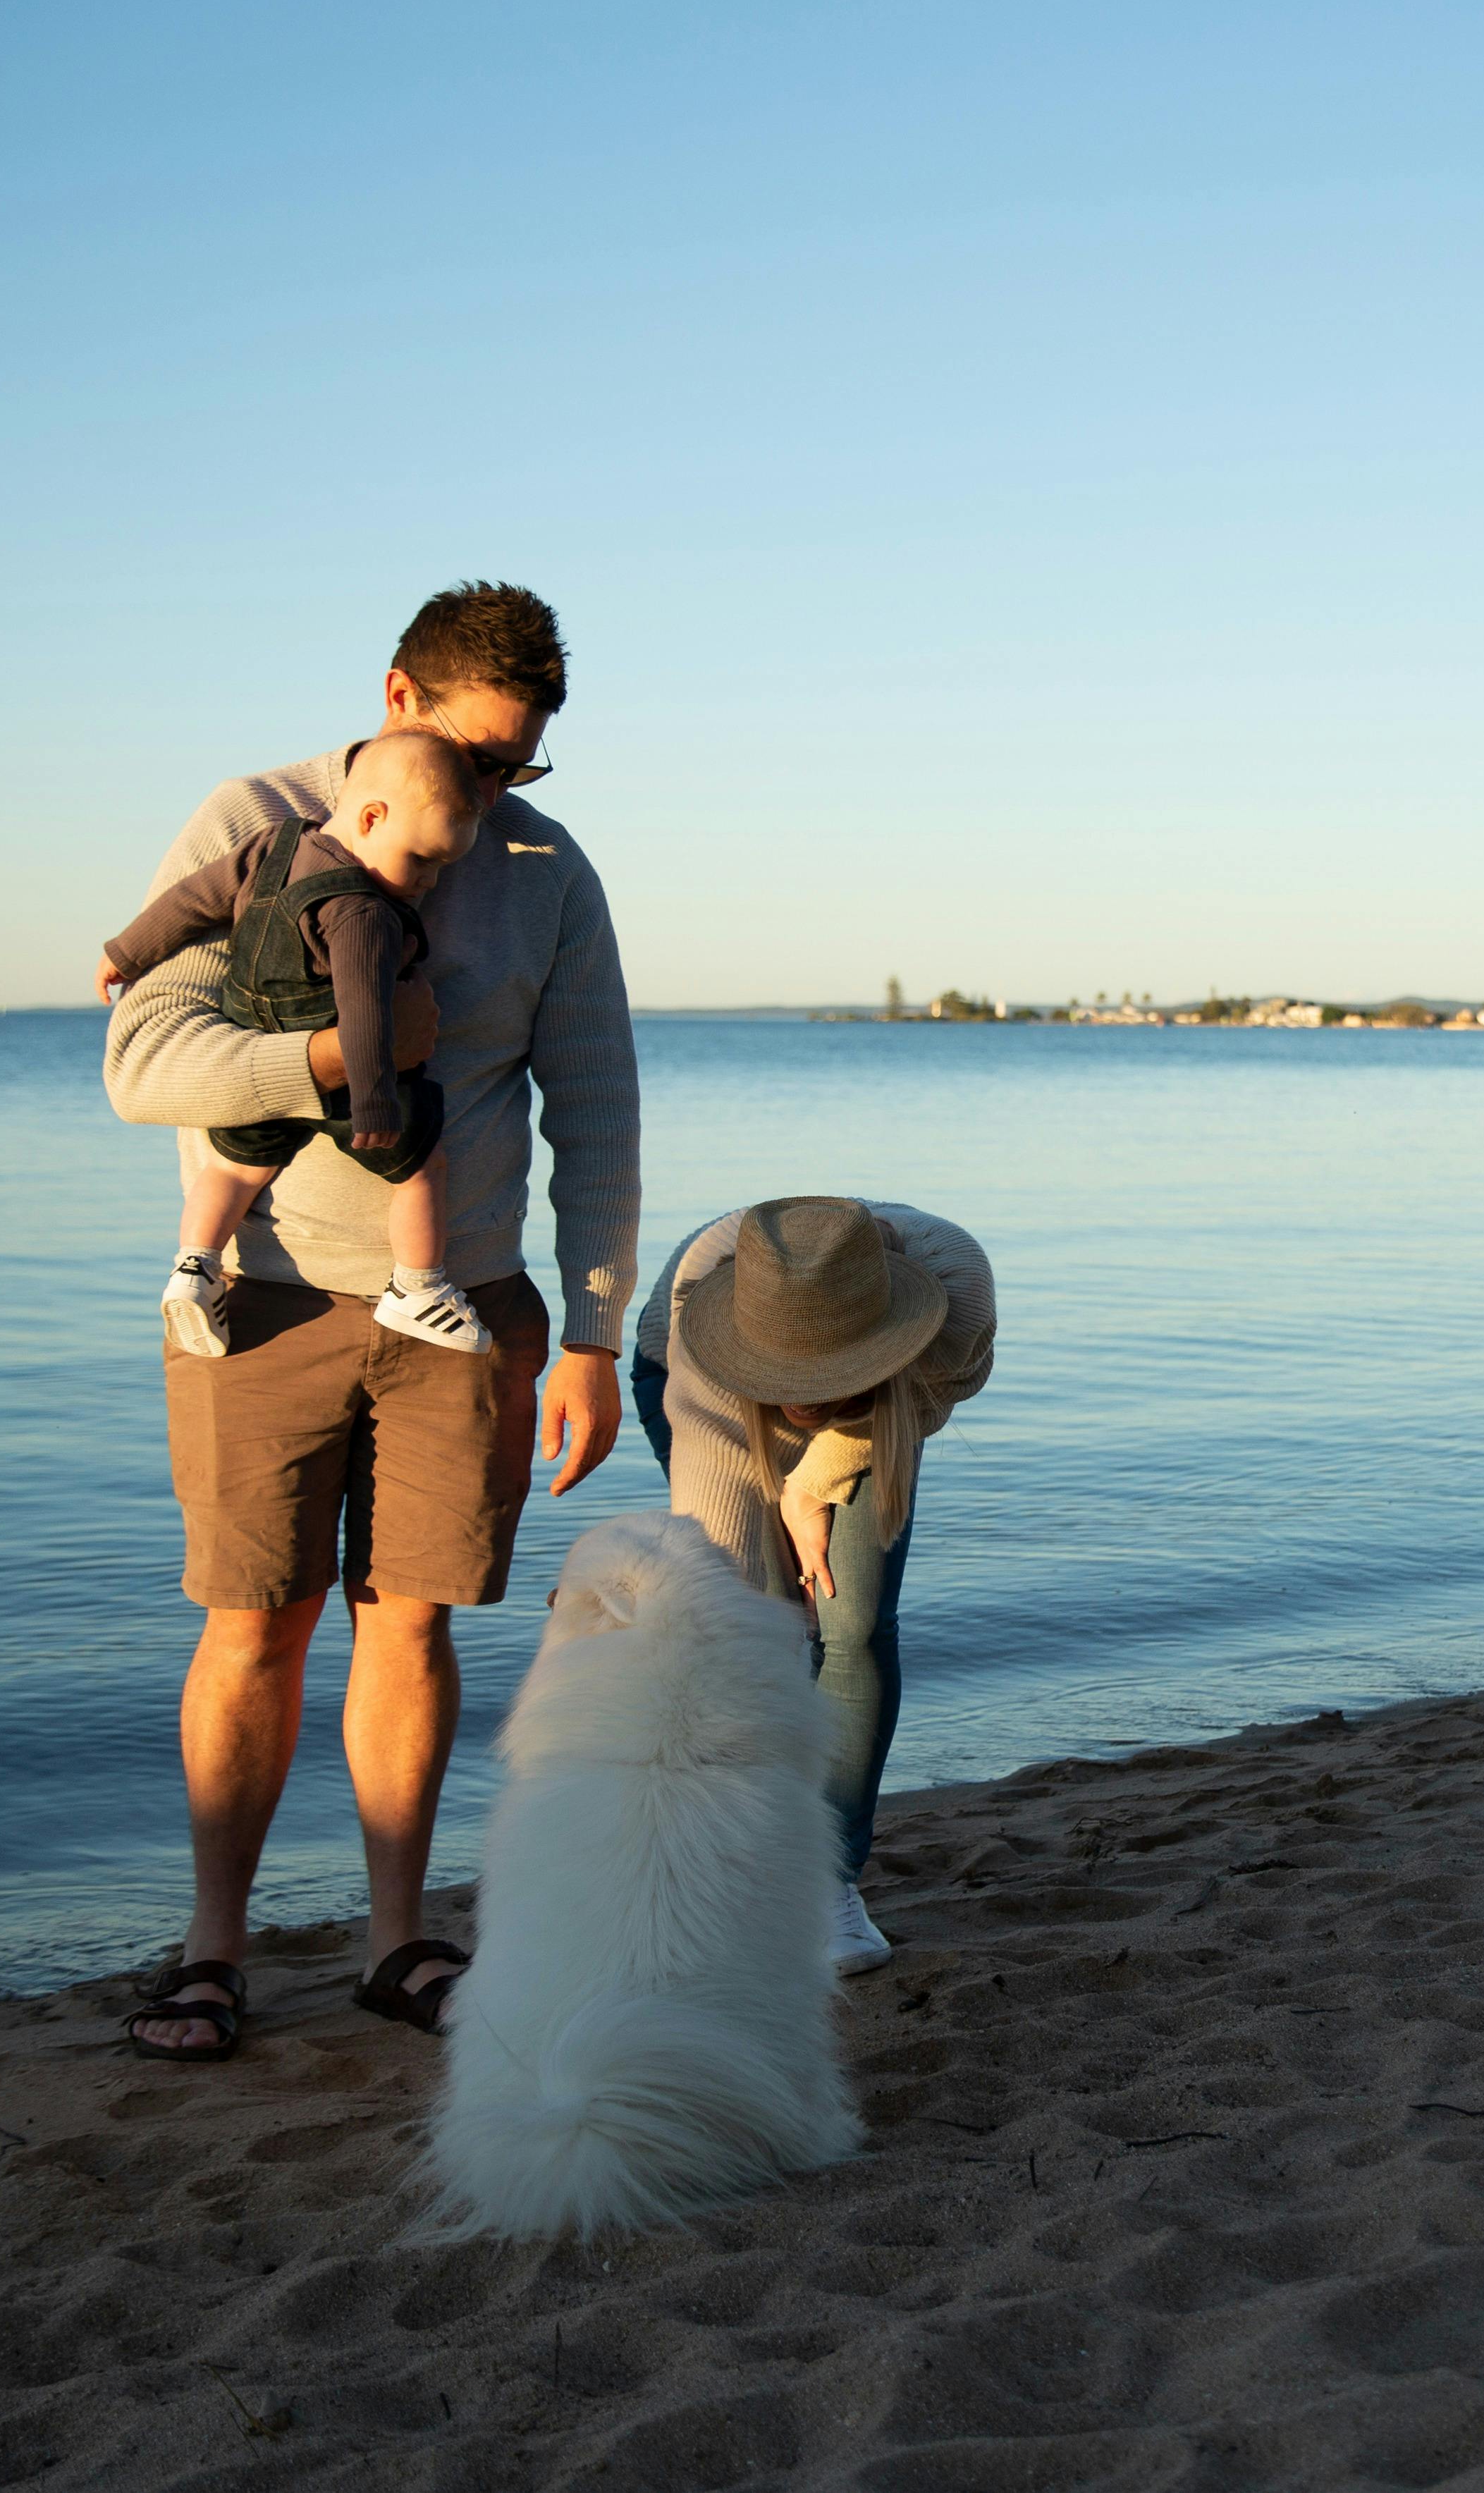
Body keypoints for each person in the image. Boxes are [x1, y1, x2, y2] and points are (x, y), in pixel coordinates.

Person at [101, 582, 641, 2063]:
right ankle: (213, 1948)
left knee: (409, 1623)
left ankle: (394, 1935)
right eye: (476, 751)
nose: (493, 786)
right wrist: (340, 1053)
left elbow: (594, 1101)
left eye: (522, 761)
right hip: (265, 1299)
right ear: (396, 697)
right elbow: (142, 1059)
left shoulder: (542, 863)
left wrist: (591, 1329)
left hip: (461, 1306)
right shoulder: (254, 819)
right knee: (252, 1624)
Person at [640, 1196, 995, 1974]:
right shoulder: (701, 1328)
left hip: (881, 1399)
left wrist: (813, 1487)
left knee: (852, 1623)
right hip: (712, 1388)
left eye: (819, 1370)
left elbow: (931, 1390)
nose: (799, 1390)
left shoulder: (955, 1295)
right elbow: (721, 1564)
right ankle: (734, 1864)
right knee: (751, 1621)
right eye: (790, 1374)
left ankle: (827, 1878)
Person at [95, 729, 490, 1360]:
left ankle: (195, 1268)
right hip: (340, 1075)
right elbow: (365, 1015)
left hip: (256, 1041)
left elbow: (193, 901)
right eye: (421, 860)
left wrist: (126, 951)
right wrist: (376, 1105)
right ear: (370, 818)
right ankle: (418, 1287)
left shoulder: (271, 847)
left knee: (231, 1168)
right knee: (423, 1171)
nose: (429, 882)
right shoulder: (363, 913)